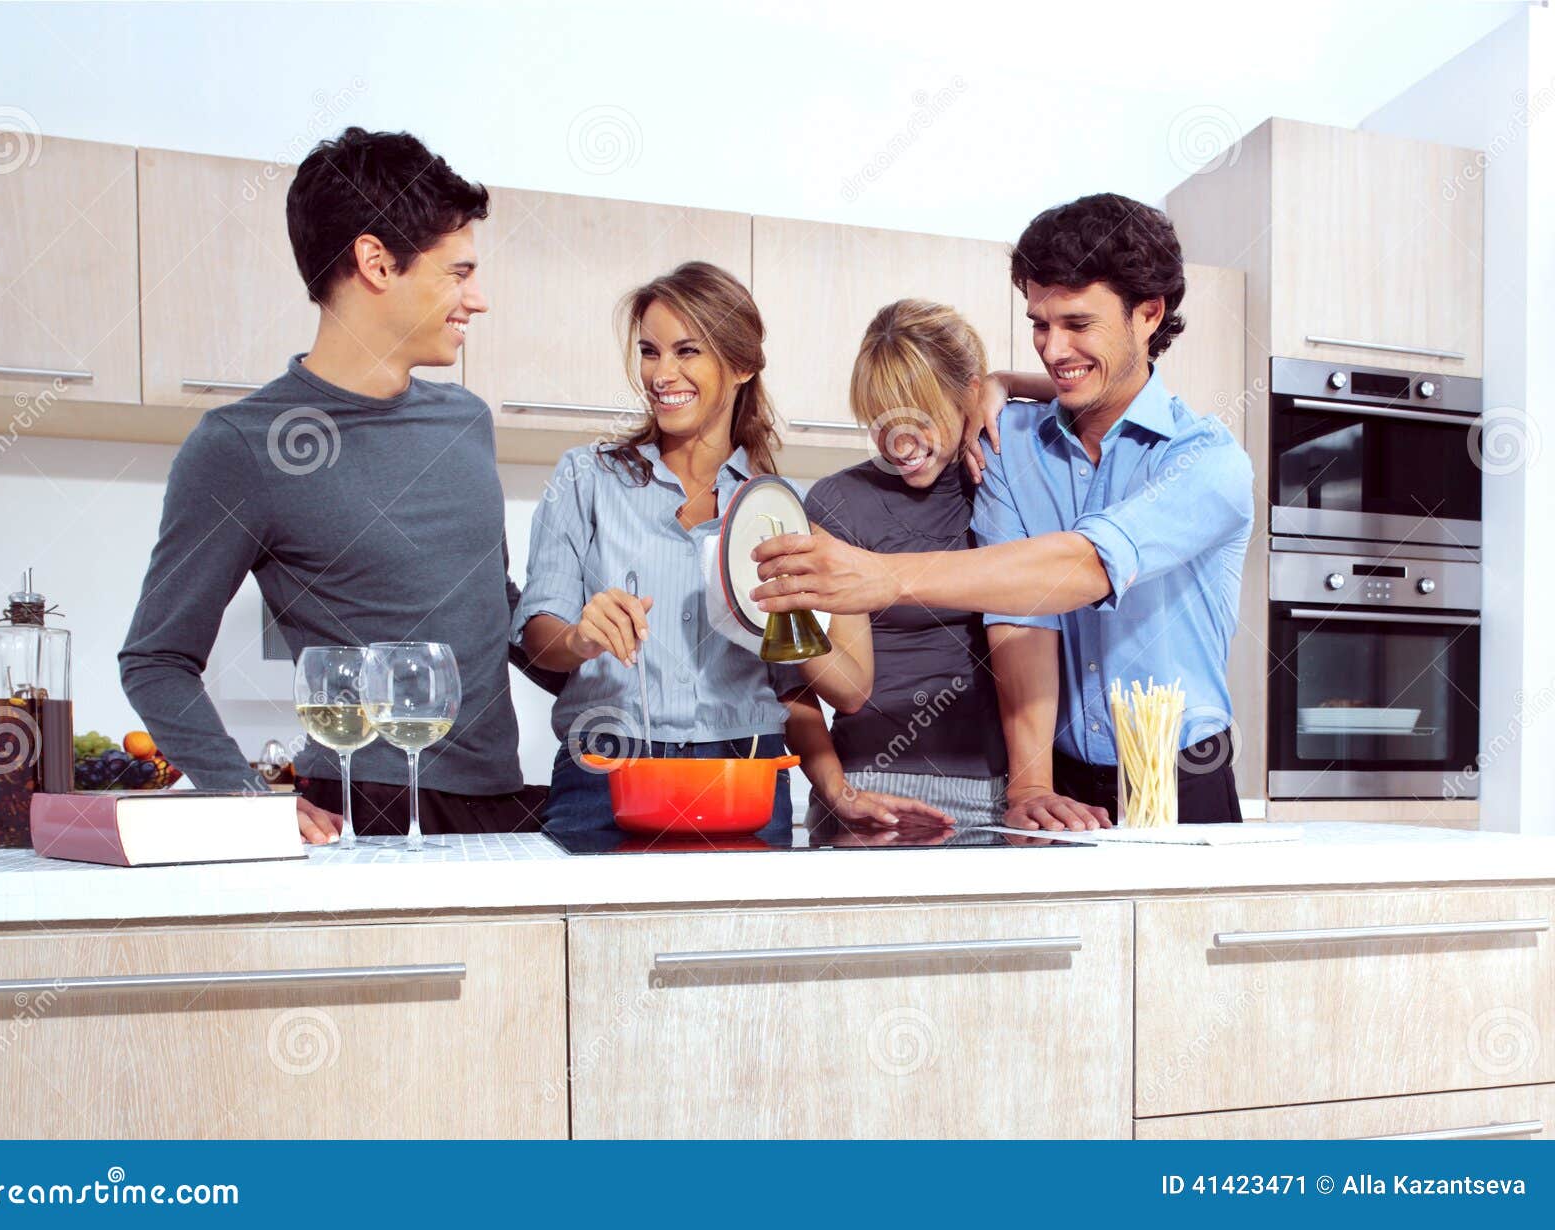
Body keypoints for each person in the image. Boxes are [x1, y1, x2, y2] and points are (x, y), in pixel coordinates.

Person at [751, 193, 1253, 829]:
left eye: (1077, 323)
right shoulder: (1009, 445)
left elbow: (1084, 565)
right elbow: (1023, 617)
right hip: (1061, 782)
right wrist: (1031, 784)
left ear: (1148, 313)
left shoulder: (1207, 461)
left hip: (1181, 772)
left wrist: (884, 576)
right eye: (1040, 325)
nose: (1053, 348)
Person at [120, 127, 559, 844]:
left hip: (498, 802)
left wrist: (603, 669)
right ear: (376, 263)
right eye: (458, 273)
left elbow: (492, 606)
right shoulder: (240, 446)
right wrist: (245, 797)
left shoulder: (466, 421)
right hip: (363, 812)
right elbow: (156, 659)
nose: (477, 300)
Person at [514, 262, 802, 835]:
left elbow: (795, 674)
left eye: (687, 351)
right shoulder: (586, 477)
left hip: (744, 768)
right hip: (605, 770)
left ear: (742, 364)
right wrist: (580, 637)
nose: (662, 374)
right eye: (650, 352)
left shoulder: (774, 504)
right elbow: (539, 635)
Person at [785, 300, 1054, 830]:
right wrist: (839, 792)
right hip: (873, 790)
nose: (900, 445)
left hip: (1003, 794)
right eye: (881, 422)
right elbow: (817, 684)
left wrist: (1004, 382)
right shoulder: (837, 503)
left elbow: (1101, 394)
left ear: (969, 397)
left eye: (921, 420)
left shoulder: (1001, 484)